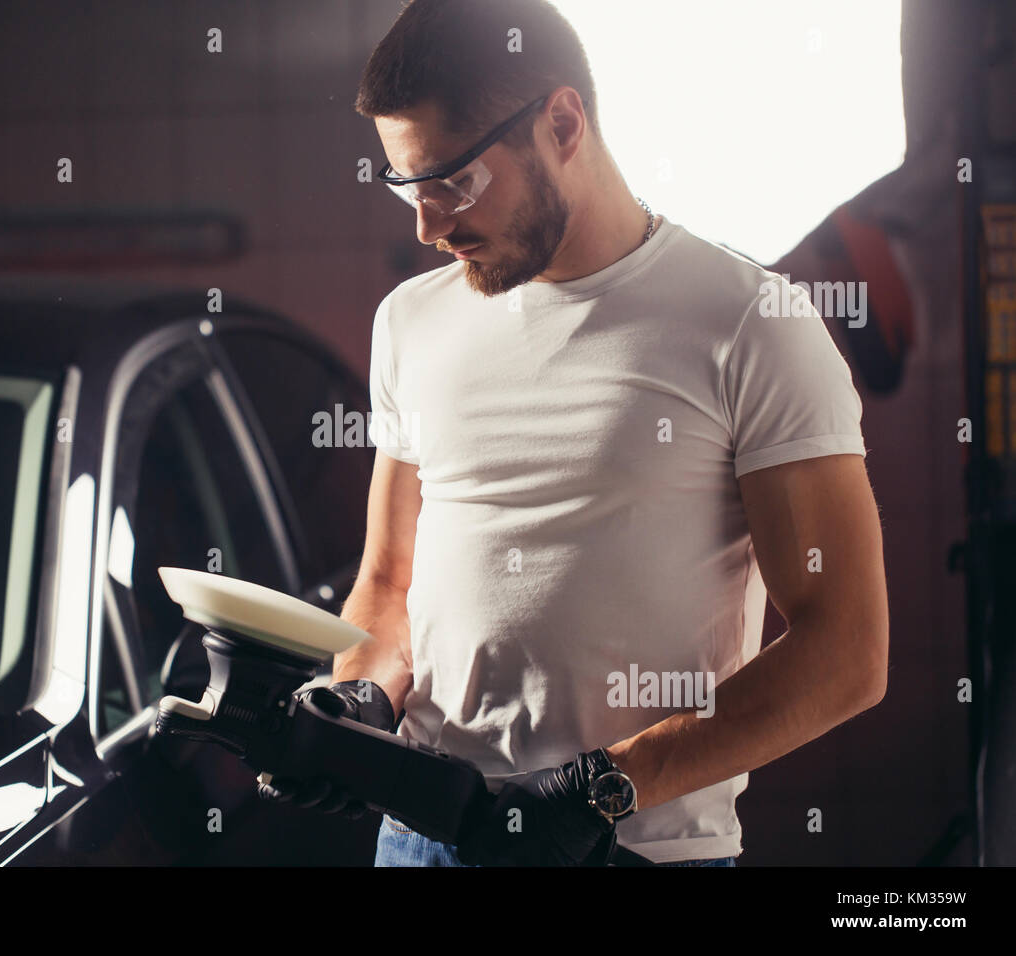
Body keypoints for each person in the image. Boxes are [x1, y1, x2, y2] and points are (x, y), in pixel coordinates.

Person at [258, 0, 889, 867]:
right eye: (408, 186)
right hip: (422, 839)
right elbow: (389, 581)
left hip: (635, 850)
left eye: (452, 181)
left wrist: (602, 787)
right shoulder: (412, 321)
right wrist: (358, 702)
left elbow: (846, 651)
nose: (426, 225)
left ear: (561, 122)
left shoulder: (751, 323)